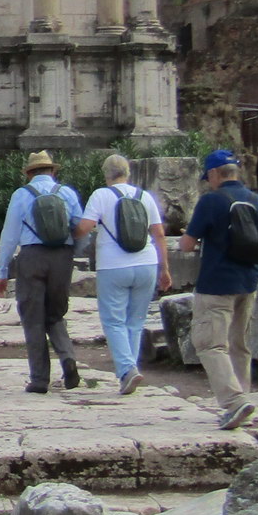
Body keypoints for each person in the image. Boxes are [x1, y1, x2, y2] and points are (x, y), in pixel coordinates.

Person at [177, 148, 258, 430]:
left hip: (216, 283)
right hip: (248, 282)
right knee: (239, 344)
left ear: (215, 174)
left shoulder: (211, 201)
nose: (208, 181)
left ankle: (234, 401)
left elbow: (187, 245)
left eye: (208, 177)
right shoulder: (257, 201)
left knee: (209, 343)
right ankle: (242, 395)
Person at [75, 155, 171, 395]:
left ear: (106, 174)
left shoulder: (101, 195)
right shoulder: (144, 196)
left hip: (113, 265)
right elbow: (159, 234)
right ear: (128, 173)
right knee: (136, 321)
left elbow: (84, 228)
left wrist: (70, 231)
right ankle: (130, 369)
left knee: (113, 320)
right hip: (147, 263)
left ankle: (128, 370)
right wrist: (165, 269)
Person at [0, 150, 84, 393]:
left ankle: (40, 378)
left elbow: (10, 235)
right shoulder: (66, 193)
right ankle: (68, 357)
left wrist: (2, 272)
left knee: (32, 317)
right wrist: (72, 251)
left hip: (32, 256)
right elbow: (81, 226)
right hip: (62, 257)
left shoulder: (21, 195)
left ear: (29, 173)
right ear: (52, 171)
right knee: (55, 314)